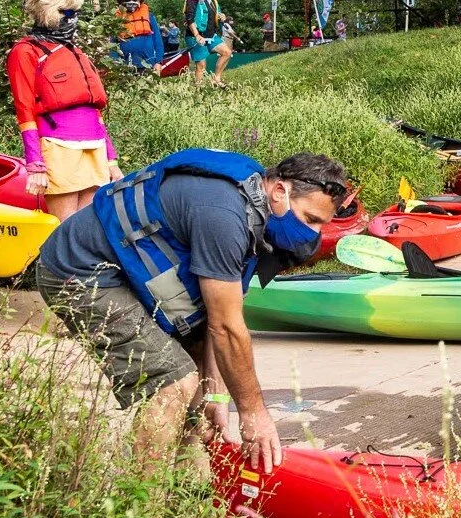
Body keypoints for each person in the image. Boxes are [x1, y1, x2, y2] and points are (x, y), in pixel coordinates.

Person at [35, 150, 351, 473]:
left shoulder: (257, 211)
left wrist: (216, 396)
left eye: (321, 225)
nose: (313, 235)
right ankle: (144, 509)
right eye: (310, 219)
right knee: (172, 381)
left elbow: (216, 317)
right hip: (78, 270)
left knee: (198, 390)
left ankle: (190, 490)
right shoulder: (224, 214)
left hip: (126, 270)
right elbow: (227, 330)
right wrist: (253, 413)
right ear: (279, 192)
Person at [6, 0, 123, 220]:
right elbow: (25, 110)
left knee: (88, 227)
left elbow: (95, 112)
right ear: (47, 11)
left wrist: (110, 159)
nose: (73, 19)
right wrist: (35, 164)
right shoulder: (26, 51)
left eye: (76, 12)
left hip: (94, 146)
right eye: (67, 12)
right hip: (59, 146)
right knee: (66, 228)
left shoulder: (73, 51)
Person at [183, 0, 230, 87]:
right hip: (196, 36)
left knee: (226, 52)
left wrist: (222, 16)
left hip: (211, 35)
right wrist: (197, 35)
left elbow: (216, 13)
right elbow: (189, 19)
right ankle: (198, 89)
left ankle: (216, 79)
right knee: (201, 65)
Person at [113, 0, 161, 70]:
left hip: (148, 62)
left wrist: (158, 61)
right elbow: (113, 43)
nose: (131, 2)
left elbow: (157, 39)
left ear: (139, 1)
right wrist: (114, 61)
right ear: (122, 2)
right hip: (125, 64)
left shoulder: (149, 16)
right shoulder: (117, 19)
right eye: (128, 0)